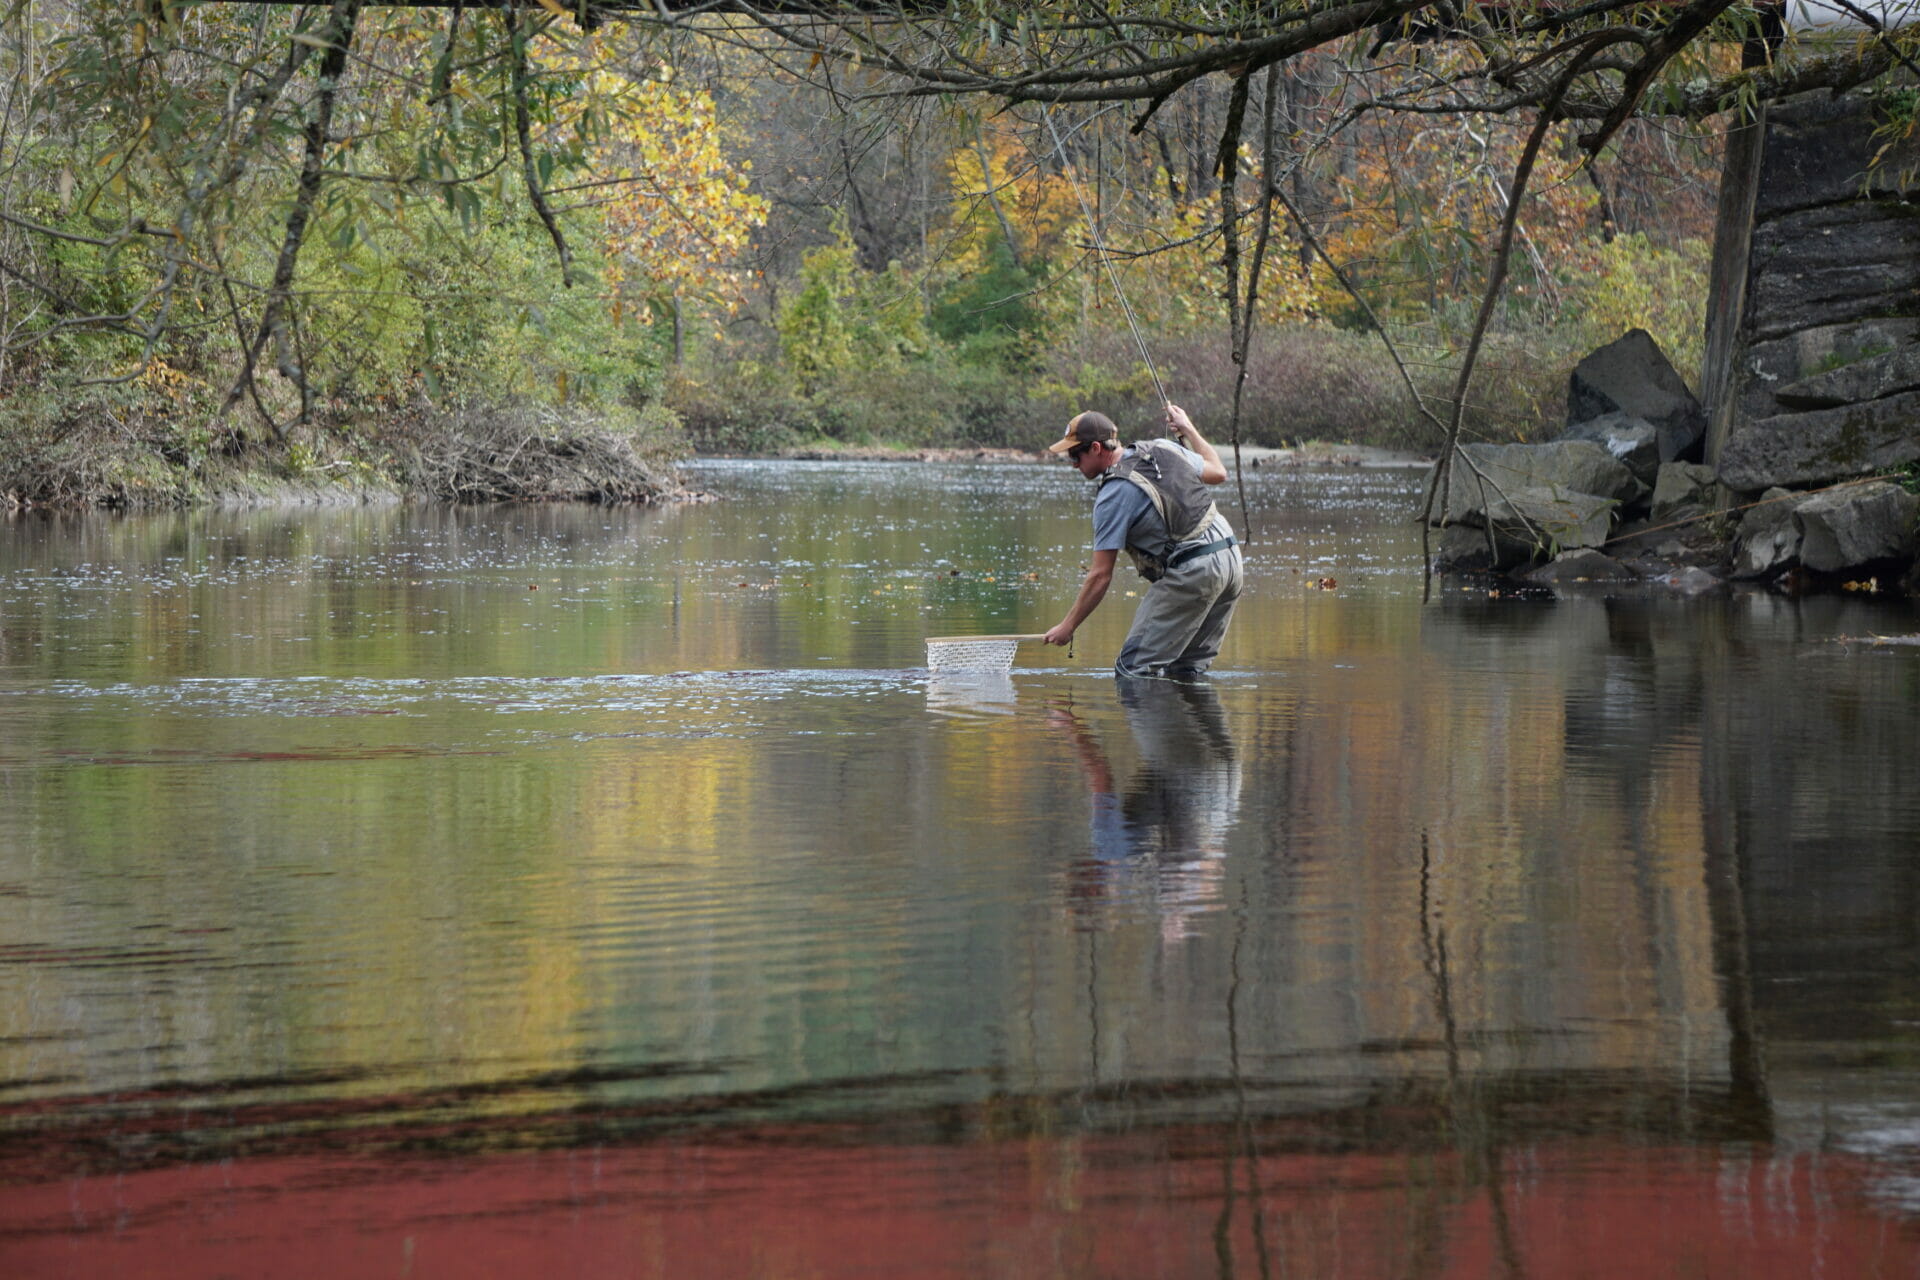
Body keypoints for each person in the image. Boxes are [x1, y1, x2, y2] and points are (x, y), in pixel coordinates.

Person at [1043, 404, 1243, 678]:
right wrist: (1188, 429)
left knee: (1132, 670)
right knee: (1187, 670)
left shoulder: (1113, 496)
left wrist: (1068, 626)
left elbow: (1100, 575)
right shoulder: (1162, 447)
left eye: (1075, 456)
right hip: (1231, 561)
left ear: (1096, 449)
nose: (1074, 464)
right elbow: (1218, 472)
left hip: (1195, 572)